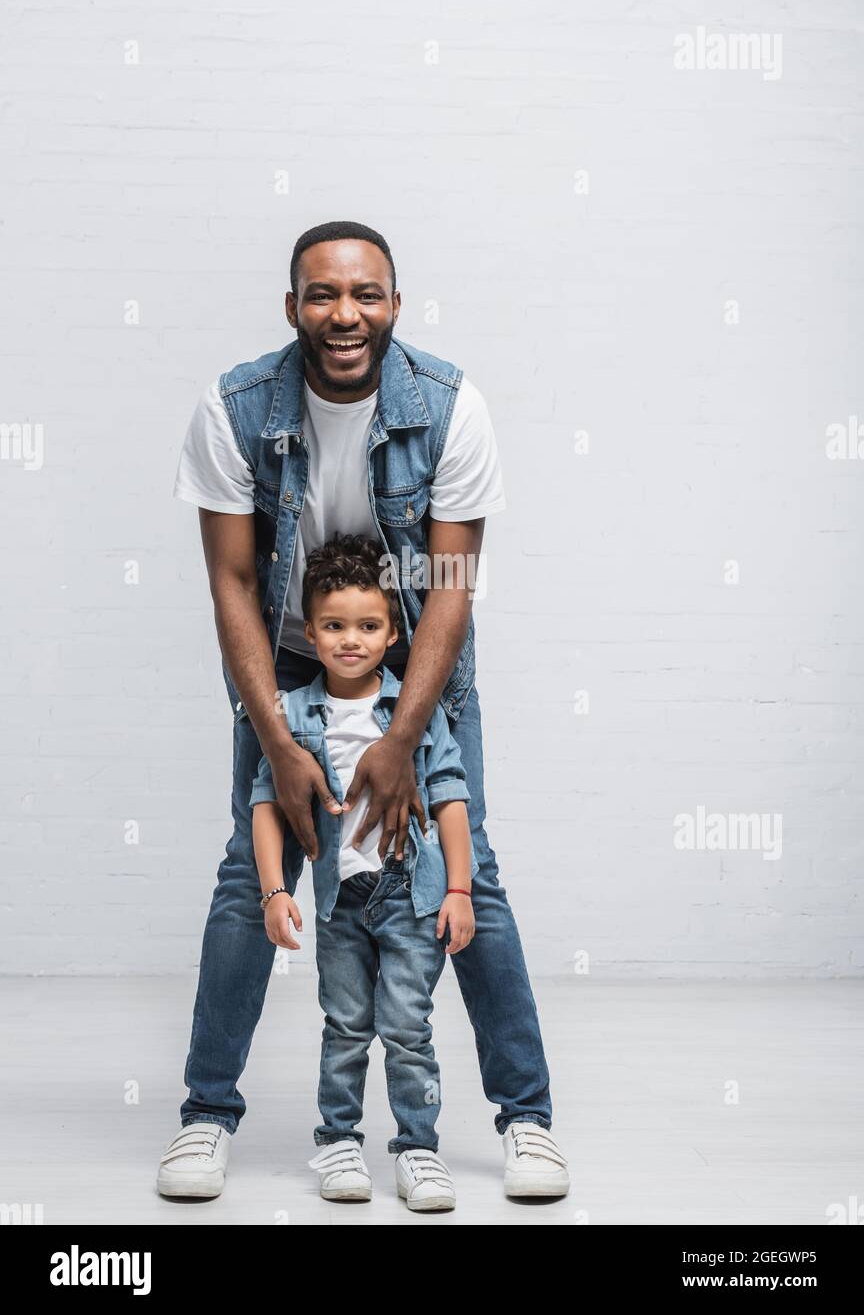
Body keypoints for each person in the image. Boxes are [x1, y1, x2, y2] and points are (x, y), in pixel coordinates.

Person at [157, 219, 569, 1201]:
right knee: (246, 873)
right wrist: (276, 734)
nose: (346, 314)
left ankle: (529, 1121)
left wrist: (400, 736)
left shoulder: (452, 406)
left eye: (366, 294)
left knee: (464, 877)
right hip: (286, 667)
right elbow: (233, 580)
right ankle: (206, 1117)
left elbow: (454, 585)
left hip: (417, 659)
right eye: (323, 294)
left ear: (395, 303)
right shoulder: (234, 409)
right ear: (293, 305)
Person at [252, 533, 476, 1211]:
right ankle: (339, 1142)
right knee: (345, 1024)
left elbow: (450, 798)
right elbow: (266, 804)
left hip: (410, 895)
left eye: (368, 625)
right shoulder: (291, 714)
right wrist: (274, 890)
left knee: (408, 1027)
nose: (351, 639)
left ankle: (417, 1151)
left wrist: (460, 891)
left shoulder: (416, 711)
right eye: (334, 625)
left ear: (392, 632)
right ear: (309, 632)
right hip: (340, 901)